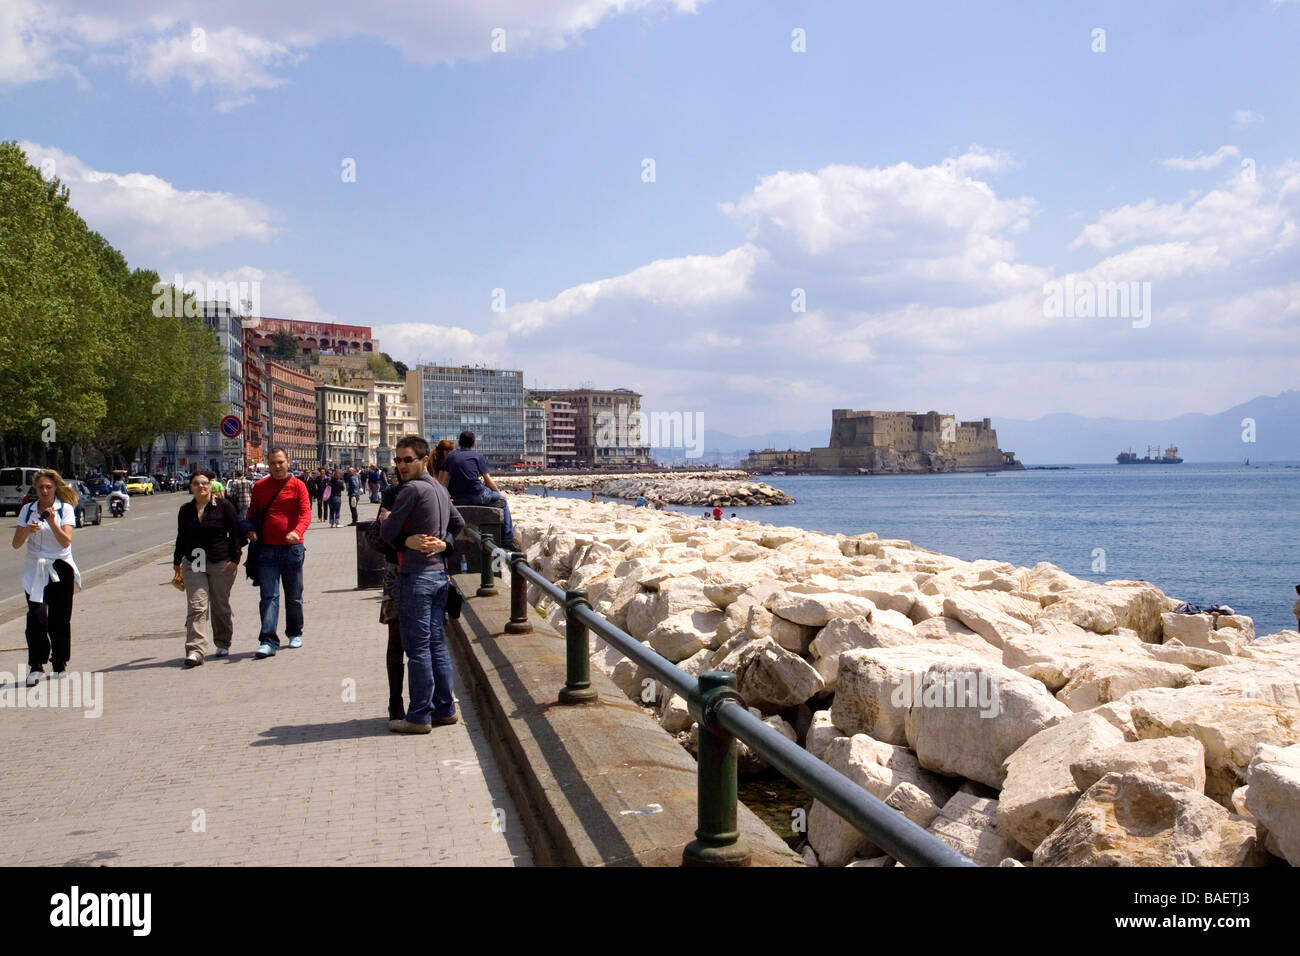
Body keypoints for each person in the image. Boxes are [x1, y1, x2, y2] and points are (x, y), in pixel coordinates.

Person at [380, 435, 465, 733]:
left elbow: (386, 532)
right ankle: (445, 708)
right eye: (398, 460)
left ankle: (418, 716)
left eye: (408, 460)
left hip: (416, 577)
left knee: (417, 649)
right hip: (439, 575)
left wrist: (404, 538)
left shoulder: (411, 489)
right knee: (436, 644)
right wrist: (445, 544)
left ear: (424, 460)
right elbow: (459, 523)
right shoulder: (439, 488)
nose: (402, 466)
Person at [11, 470, 82, 686]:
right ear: (35, 488)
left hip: (60, 566)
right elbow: (16, 544)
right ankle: (36, 665)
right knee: (36, 617)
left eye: (48, 487)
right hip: (35, 568)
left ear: (55, 488)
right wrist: (27, 531)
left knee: (60, 619)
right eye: (41, 487)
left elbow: (65, 541)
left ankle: (59, 662)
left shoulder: (65, 509)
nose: (44, 491)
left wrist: (52, 522)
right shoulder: (27, 510)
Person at [244, 448, 312, 658]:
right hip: (267, 549)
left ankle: (294, 632)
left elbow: (306, 513)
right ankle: (268, 640)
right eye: (273, 463)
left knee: (294, 596)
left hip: (292, 549)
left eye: (280, 462)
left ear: (288, 462)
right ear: (268, 464)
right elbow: (251, 513)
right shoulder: (260, 486)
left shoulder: (298, 485)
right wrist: (249, 529)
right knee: (269, 596)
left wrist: (297, 531)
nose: (277, 466)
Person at [173, 472, 242, 666]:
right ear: (191, 487)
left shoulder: (224, 506)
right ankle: (195, 650)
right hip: (194, 561)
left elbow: (236, 534)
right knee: (197, 606)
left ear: (210, 486)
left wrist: (235, 559)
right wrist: (177, 561)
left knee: (220, 605)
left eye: (204, 483)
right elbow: (181, 536)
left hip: (220, 561)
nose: (201, 486)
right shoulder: (185, 510)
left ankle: (223, 641)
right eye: (196, 483)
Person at [444, 431, 515, 549]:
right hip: (478, 495)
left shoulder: (451, 456)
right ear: (473, 443)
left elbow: (444, 480)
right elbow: (488, 480)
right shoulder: (477, 455)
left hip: (459, 498)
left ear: (459, 442)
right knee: (503, 502)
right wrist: (498, 493)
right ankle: (508, 539)